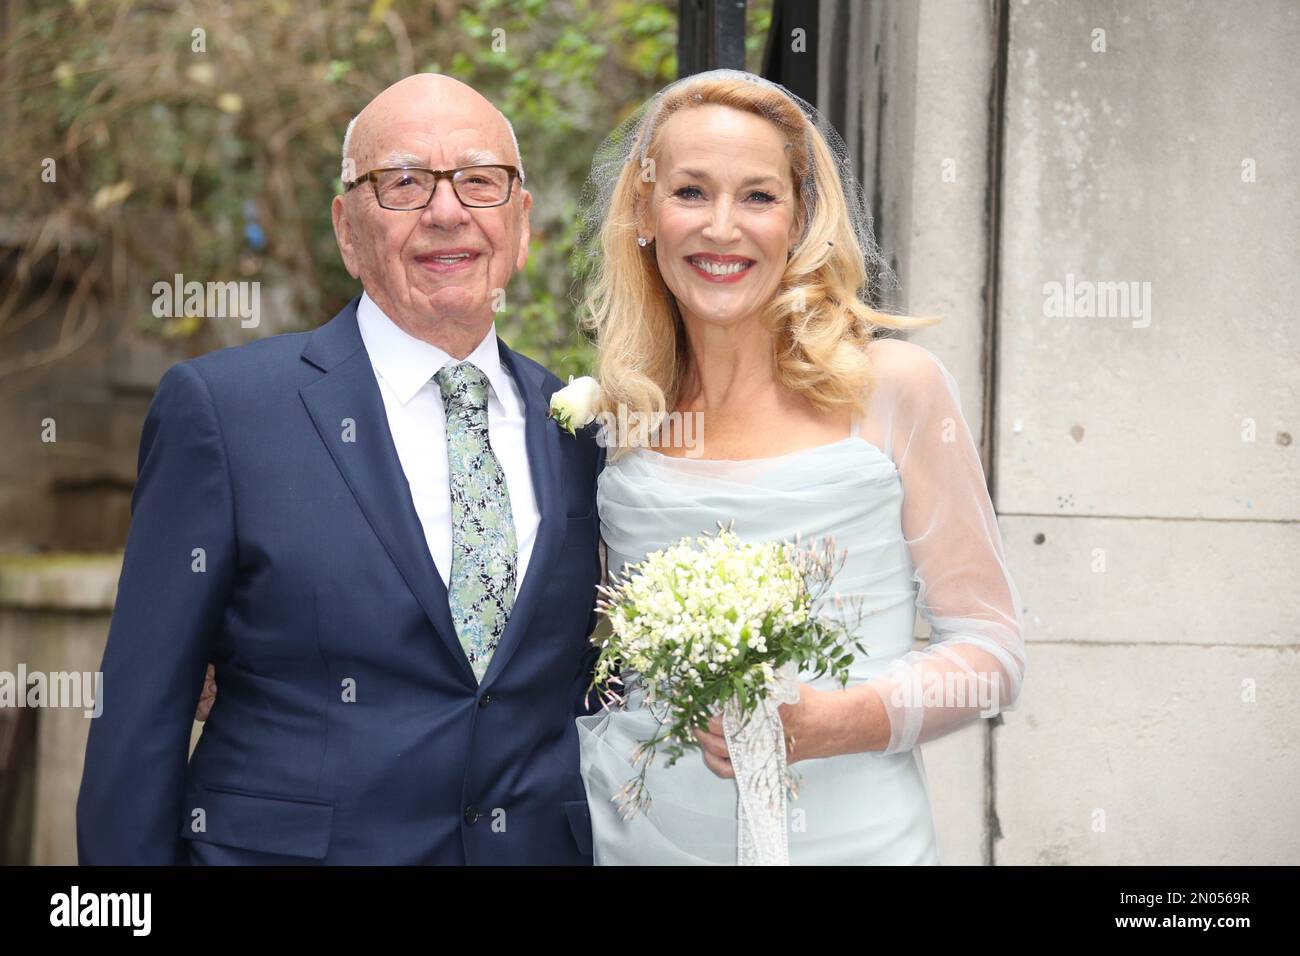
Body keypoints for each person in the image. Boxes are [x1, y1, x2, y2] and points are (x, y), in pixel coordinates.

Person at [76, 74, 603, 865]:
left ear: (521, 223)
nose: (447, 211)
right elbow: (142, 709)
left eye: (479, 181)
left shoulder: (583, 429)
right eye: (403, 183)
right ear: (346, 228)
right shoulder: (224, 411)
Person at [574, 69, 1027, 864]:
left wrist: (832, 724)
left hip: (855, 842)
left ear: (802, 216)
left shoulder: (895, 388)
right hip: (638, 839)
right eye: (689, 192)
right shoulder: (616, 414)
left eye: (758, 196)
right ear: (643, 213)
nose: (722, 228)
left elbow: (990, 655)